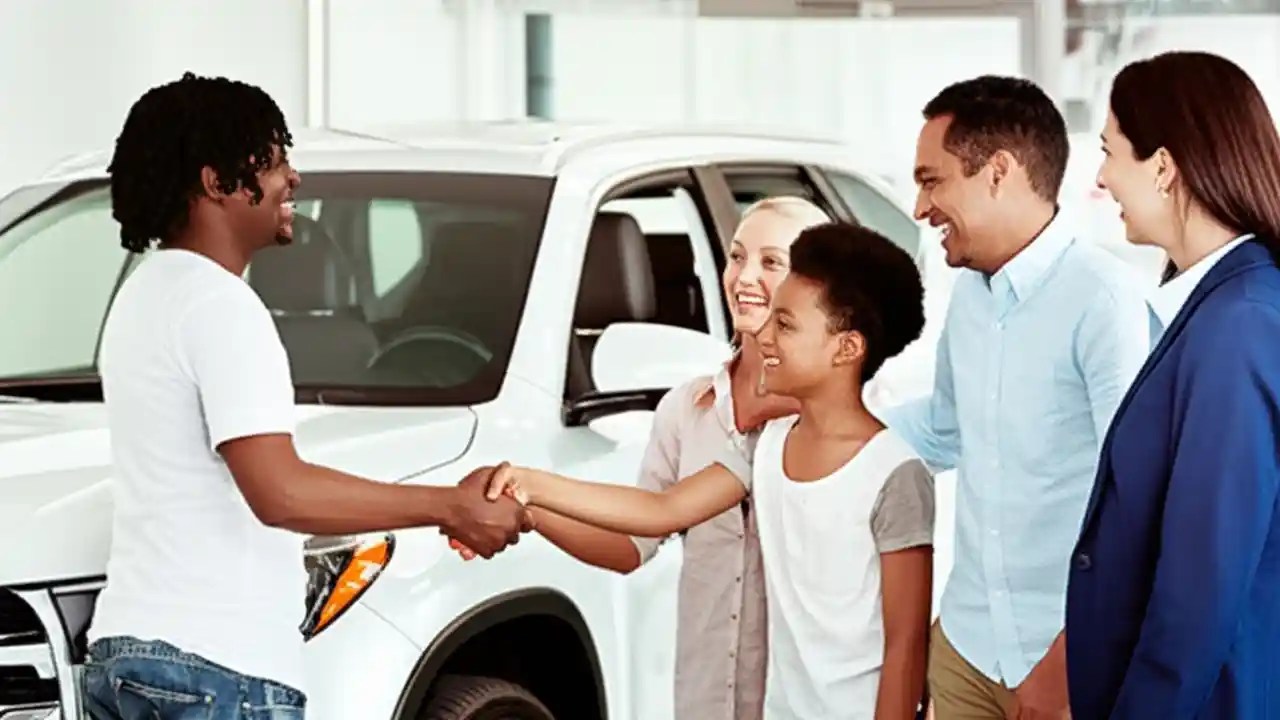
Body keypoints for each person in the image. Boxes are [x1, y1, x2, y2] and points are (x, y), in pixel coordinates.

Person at [78, 72, 529, 719]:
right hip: (217, 669)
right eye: (275, 159)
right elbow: (280, 491)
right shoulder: (222, 305)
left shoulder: (143, 295)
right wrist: (448, 506)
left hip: (126, 656)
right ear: (217, 181)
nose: (293, 179)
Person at [478, 222, 934, 720]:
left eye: (786, 324)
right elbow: (660, 510)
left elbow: (906, 646)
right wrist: (529, 484)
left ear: (846, 349)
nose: (766, 335)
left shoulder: (895, 475)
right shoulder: (768, 446)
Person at [451, 196, 827, 720]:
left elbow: (666, 510)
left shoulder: (833, 419)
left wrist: (527, 483)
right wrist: (526, 510)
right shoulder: (687, 409)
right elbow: (632, 543)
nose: (744, 276)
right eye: (737, 257)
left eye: (771, 262)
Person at [876, 75, 1150, 719]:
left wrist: (1065, 663)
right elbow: (943, 430)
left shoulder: (1104, 301)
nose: (920, 207)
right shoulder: (971, 294)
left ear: (997, 171)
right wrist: (820, 422)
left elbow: (1137, 499)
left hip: (1065, 655)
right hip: (968, 646)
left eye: (931, 179)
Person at [1066, 50, 1280, 720]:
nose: (1101, 179)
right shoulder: (1220, 305)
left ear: (1162, 166)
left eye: (1109, 153)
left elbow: (1200, 587)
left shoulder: (1239, 324)